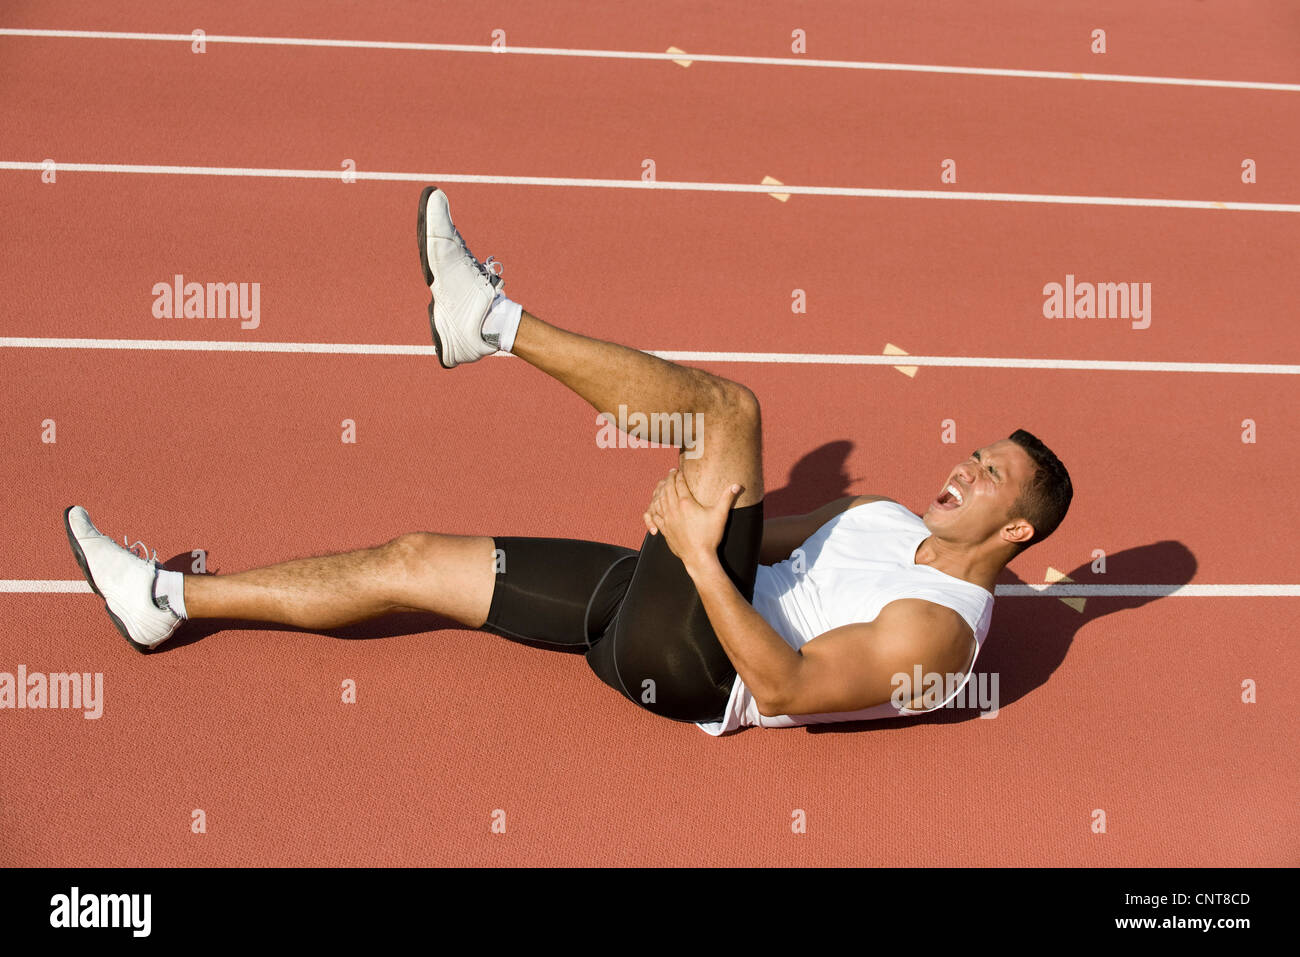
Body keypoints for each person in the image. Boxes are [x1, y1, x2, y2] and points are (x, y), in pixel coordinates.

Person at [63, 187, 1072, 735]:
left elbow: (790, 688)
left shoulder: (942, 640)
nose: (961, 468)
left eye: (988, 477)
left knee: (729, 410)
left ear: (1017, 530)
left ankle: (490, 320)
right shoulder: (886, 518)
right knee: (416, 556)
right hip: (653, 600)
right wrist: (697, 532)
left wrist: (696, 545)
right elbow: (748, 528)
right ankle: (168, 603)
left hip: (694, 669)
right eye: (973, 452)